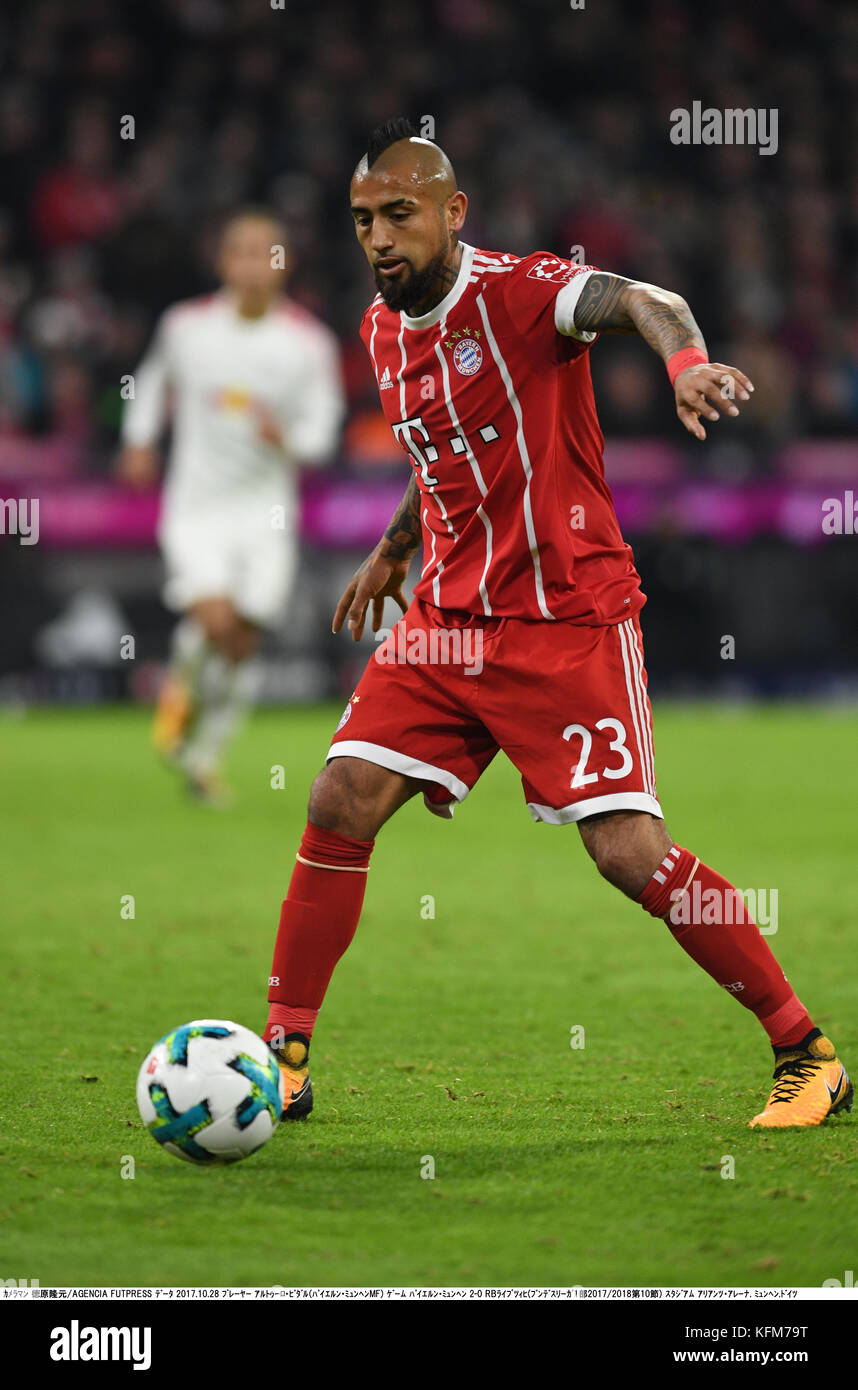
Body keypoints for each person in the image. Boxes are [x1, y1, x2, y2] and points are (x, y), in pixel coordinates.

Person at [263, 119, 850, 1131]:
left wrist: (684, 368)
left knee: (628, 852)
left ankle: (808, 1051)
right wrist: (398, 546)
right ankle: (284, 1052)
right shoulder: (380, 327)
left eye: (399, 215)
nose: (379, 239)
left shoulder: (523, 290)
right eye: (363, 221)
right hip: (448, 616)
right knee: (339, 797)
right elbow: (440, 448)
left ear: (452, 213)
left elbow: (648, 300)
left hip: (565, 618)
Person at [118, 208, 344, 803]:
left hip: (267, 515)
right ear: (222, 260)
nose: (252, 264)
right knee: (215, 620)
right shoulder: (186, 327)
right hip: (196, 508)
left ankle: (202, 757)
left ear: (283, 264)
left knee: (241, 640)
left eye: (265, 252)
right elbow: (149, 384)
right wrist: (139, 441)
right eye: (240, 251)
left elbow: (323, 431)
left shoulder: (307, 343)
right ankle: (182, 703)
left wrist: (287, 440)